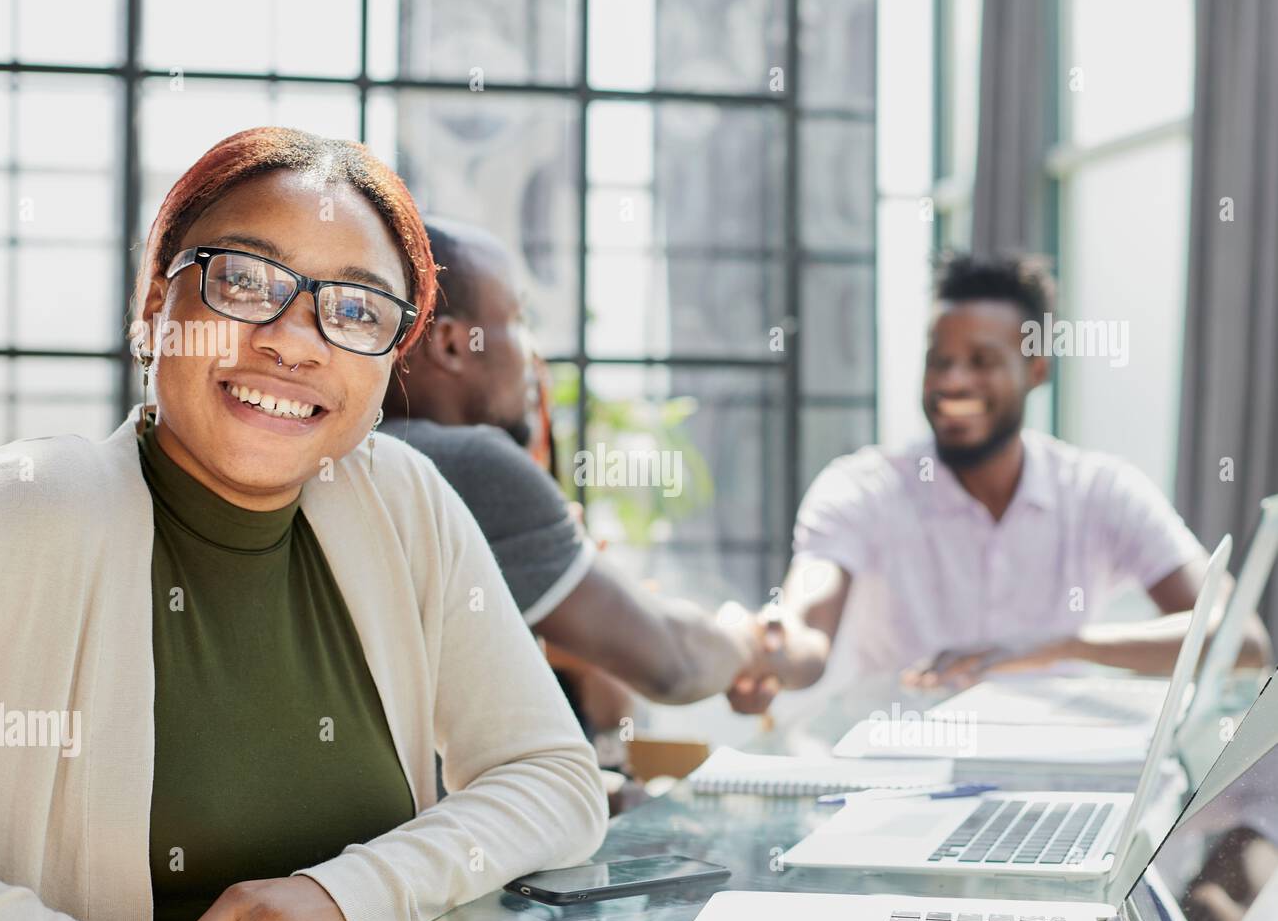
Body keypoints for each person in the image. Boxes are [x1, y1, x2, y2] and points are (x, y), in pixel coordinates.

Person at [0, 127, 607, 921]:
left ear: (389, 366)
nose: (293, 339)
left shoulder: (403, 502)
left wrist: (350, 897)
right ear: (154, 307)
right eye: (242, 281)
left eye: (355, 308)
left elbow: (555, 775)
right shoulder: (13, 512)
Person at [749, 251, 1271, 695]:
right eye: (940, 361)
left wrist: (1061, 644)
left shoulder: (1100, 491)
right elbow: (807, 628)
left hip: (1054, 786)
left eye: (981, 361)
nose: (953, 382)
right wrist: (771, 647)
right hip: (894, 781)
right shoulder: (861, 490)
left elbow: (1242, 643)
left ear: (1036, 369)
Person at [381, 219, 798, 719]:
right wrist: (750, 642)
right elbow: (673, 664)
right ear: (451, 345)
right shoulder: (470, 465)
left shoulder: (366, 454)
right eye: (517, 319)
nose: (534, 356)